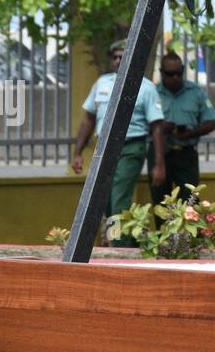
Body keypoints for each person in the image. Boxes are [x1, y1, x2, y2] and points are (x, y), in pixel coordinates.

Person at [70, 39, 167, 245]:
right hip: (103, 148)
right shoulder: (102, 84)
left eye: (122, 57)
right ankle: (127, 243)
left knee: (119, 198)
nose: (117, 61)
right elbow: (88, 118)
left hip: (130, 146)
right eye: (115, 57)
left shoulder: (145, 87)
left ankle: (119, 247)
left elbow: (157, 127)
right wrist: (77, 152)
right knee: (102, 198)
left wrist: (159, 164)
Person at [149, 51, 215, 204]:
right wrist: (162, 127)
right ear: (161, 72)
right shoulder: (152, 93)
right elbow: (141, 124)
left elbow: (211, 122)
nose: (175, 78)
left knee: (191, 201)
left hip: (186, 154)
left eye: (179, 73)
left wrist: (189, 134)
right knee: (162, 203)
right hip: (159, 154)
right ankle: (164, 229)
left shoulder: (196, 92)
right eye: (170, 73)